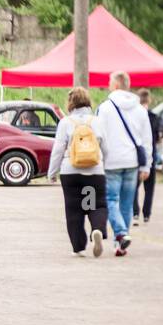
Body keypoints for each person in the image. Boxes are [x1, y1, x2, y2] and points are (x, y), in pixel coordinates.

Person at [95, 71, 152, 256]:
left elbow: (98, 136)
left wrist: (99, 159)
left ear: (116, 85)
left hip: (111, 161)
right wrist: (146, 165)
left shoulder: (105, 108)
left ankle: (120, 233)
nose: (108, 85)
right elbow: (147, 140)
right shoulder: (140, 110)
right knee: (127, 204)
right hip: (133, 162)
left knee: (110, 200)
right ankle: (120, 244)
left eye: (110, 82)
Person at [48, 86, 110, 257]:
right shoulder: (97, 121)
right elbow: (106, 149)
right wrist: (105, 167)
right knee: (96, 205)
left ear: (71, 103)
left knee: (74, 209)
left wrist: (52, 173)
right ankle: (97, 229)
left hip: (71, 172)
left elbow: (58, 150)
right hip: (94, 172)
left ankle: (78, 247)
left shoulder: (65, 122)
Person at [133, 89, 160, 225]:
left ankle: (135, 212)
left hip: (137, 156)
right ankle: (147, 214)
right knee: (149, 189)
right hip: (151, 156)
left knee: (134, 187)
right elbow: (157, 137)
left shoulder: (134, 117)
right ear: (148, 100)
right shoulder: (154, 117)